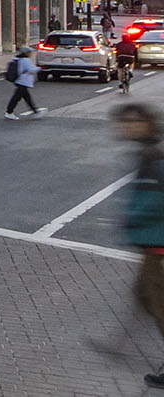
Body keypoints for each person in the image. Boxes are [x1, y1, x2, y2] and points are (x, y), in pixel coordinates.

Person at [112, 103, 164, 387]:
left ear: (147, 123)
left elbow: (153, 200)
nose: (127, 126)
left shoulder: (155, 155)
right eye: (124, 122)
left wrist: (134, 218)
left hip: (158, 245)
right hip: (151, 243)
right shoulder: (148, 151)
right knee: (144, 296)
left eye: (133, 121)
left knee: (158, 303)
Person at [4, 46, 46, 119]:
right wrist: (40, 68)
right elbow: (30, 70)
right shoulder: (25, 60)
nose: (31, 54)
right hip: (23, 81)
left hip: (20, 81)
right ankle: (9, 112)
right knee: (17, 98)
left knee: (25, 98)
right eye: (30, 52)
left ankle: (35, 111)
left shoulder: (19, 59)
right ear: (26, 53)